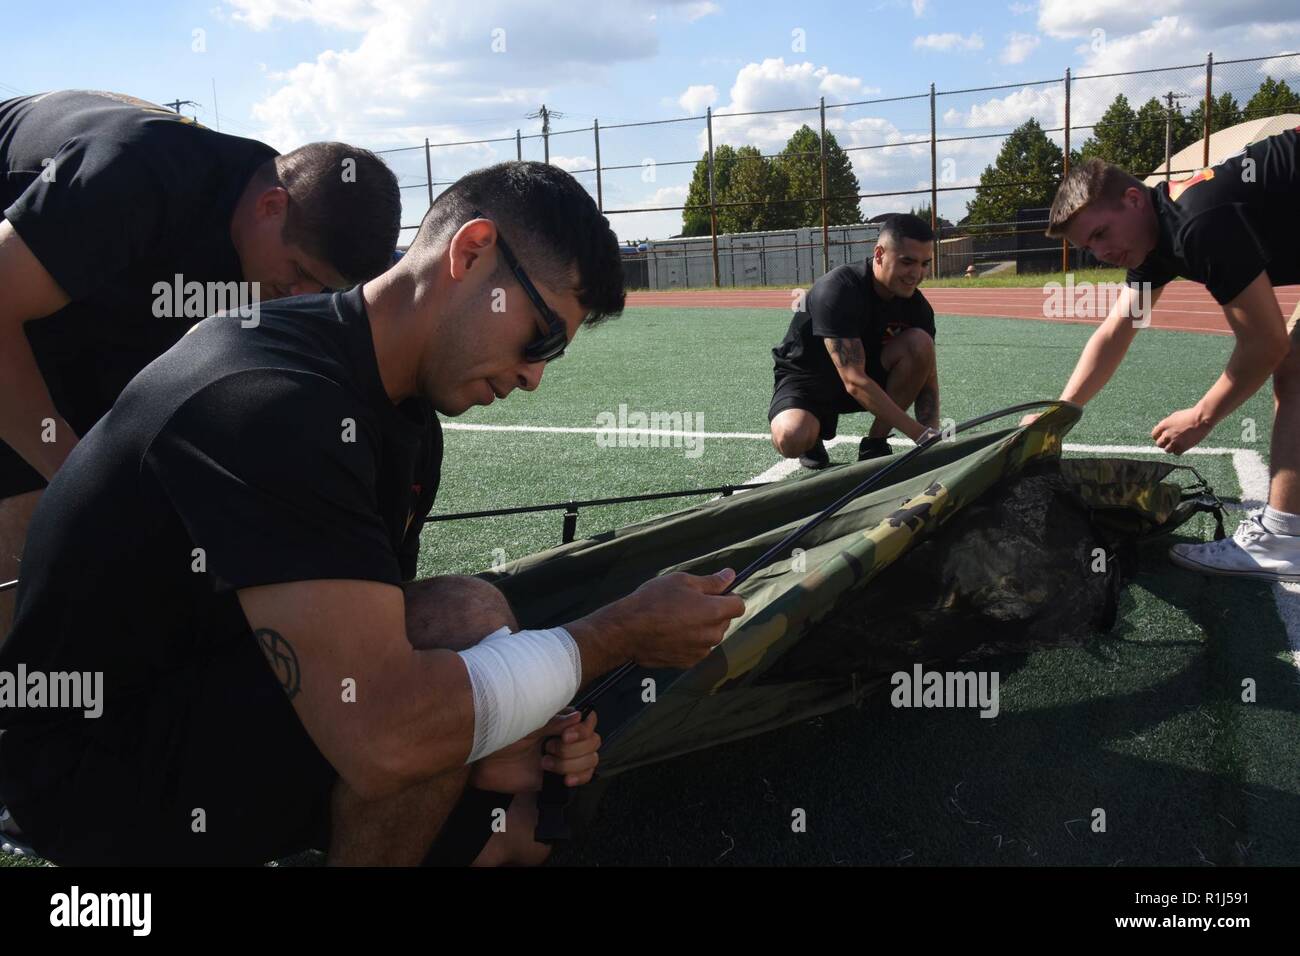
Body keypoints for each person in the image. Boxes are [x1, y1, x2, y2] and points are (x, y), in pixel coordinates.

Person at [0, 160, 746, 866]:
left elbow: (388, 646)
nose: (534, 377)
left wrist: (527, 721)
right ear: (473, 251)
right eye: (539, 336)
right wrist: (610, 638)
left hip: (218, 682)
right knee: (446, 659)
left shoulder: (404, 418)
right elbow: (389, 731)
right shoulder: (272, 397)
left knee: (522, 823)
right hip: (90, 763)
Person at [0, 90, 401, 630]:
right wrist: (74, 477)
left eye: (319, 288)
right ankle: (22, 693)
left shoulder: (271, 217)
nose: (297, 295)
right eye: (298, 273)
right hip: (20, 272)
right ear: (270, 207)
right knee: (41, 512)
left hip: (75, 286)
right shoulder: (129, 176)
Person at [1040, 134, 1300, 581]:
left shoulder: (1199, 223)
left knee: (1292, 371)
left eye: (1101, 233)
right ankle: (1286, 532)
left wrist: (1202, 416)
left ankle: (1283, 538)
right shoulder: (1157, 236)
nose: (1101, 253)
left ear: (1134, 199)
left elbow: (1264, 343)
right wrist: (1063, 410)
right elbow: (1117, 329)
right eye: (1089, 247)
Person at [768, 213, 942, 470]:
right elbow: (854, 381)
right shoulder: (838, 289)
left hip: (866, 378)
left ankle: (875, 443)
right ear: (880, 254)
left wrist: (934, 435)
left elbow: (928, 378)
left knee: (920, 344)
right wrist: (918, 434)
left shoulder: (918, 308)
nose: (916, 274)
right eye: (907, 262)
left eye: (925, 264)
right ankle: (813, 435)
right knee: (791, 437)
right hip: (809, 381)